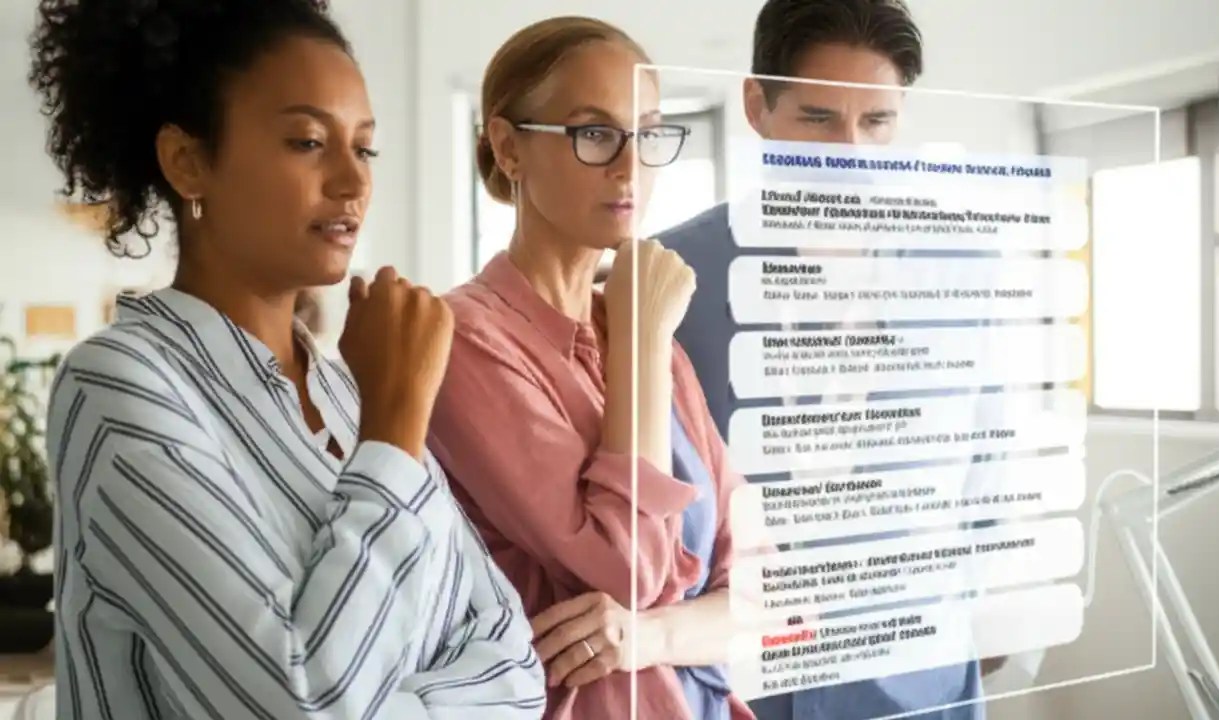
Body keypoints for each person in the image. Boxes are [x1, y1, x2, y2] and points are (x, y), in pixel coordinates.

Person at [31, 1, 544, 717]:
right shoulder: (120, 388)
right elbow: (298, 704)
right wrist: (395, 429)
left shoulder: (346, 390)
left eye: (364, 148)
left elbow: (515, 665)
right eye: (307, 142)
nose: (353, 182)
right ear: (187, 162)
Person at [660, 1, 998, 719]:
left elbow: (985, 468)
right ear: (758, 105)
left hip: (920, 692)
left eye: (877, 123)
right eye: (818, 119)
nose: (850, 156)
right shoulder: (667, 275)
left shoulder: (964, 266)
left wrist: (992, 615)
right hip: (734, 691)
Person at [427, 16, 754, 720]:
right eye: (595, 133)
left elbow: (761, 590)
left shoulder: (650, 331)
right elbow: (626, 569)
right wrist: (637, 339)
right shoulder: (462, 340)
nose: (630, 168)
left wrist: (651, 637)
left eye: (649, 133)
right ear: (509, 148)